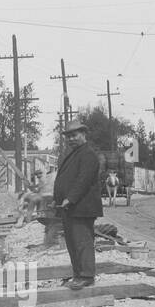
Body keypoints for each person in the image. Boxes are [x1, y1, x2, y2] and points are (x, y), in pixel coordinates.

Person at [52, 120, 102, 289]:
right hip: (70, 207)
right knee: (73, 243)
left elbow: (83, 180)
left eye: (74, 135)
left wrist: (70, 198)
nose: (71, 139)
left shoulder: (88, 154)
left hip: (82, 207)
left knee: (82, 241)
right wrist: (57, 199)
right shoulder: (74, 153)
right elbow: (64, 179)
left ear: (83, 134)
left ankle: (87, 276)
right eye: (68, 137)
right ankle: (78, 274)